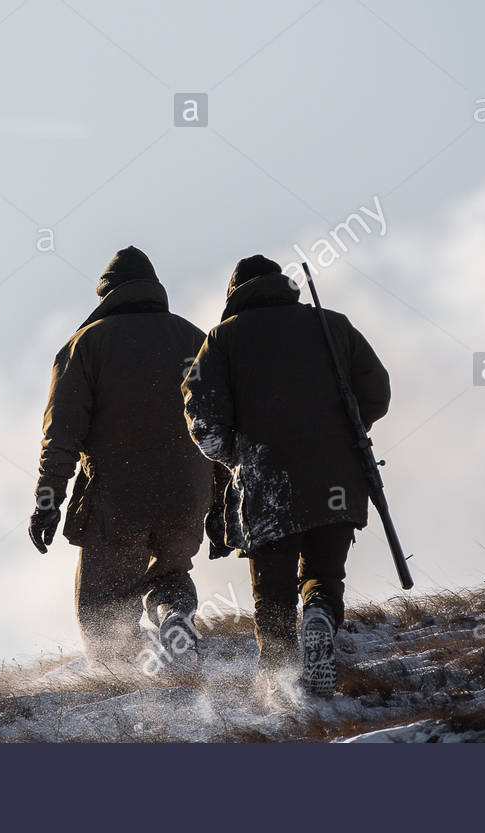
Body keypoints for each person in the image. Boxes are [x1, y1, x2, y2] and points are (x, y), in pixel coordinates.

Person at [182, 255, 390, 696]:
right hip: (338, 477)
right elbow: (377, 392)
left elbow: (201, 420)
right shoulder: (332, 325)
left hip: (266, 483)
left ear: (235, 293)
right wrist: (345, 433)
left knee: (272, 593)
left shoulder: (222, 339)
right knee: (324, 572)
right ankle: (317, 616)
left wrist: (239, 456)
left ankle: (278, 684)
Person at [29, 246, 213, 669]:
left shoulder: (85, 345)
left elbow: (60, 438)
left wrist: (47, 504)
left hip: (117, 500)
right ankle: (173, 619)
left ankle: (123, 686)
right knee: (169, 575)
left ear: (107, 295)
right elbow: (218, 430)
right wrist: (221, 508)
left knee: (103, 603)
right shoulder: (195, 340)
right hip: (186, 495)